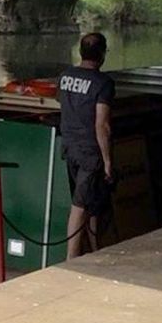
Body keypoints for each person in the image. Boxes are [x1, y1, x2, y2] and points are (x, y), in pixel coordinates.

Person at [57, 31, 116, 259]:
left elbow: (61, 102)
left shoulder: (65, 77)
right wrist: (108, 161)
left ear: (81, 52)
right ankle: (71, 259)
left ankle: (94, 250)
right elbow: (102, 125)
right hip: (90, 152)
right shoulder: (103, 84)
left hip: (69, 147)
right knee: (80, 204)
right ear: (102, 54)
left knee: (89, 200)